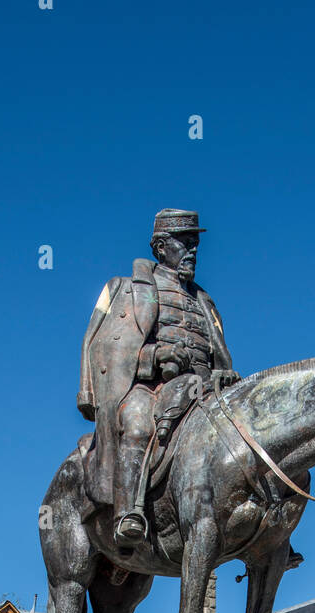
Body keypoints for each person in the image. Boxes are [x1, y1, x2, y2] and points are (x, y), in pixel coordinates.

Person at [78, 208, 239, 547]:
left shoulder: (204, 301)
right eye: (185, 242)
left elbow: (217, 352)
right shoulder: (127, 289)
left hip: (203, 388)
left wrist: (224, 373)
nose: (193, 250)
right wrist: (155, 355)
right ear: (161, 246)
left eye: (195, 243)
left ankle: (266, 534)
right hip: (149, 386)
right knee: (137, 426)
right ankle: (128, 512)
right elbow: (107, 350)